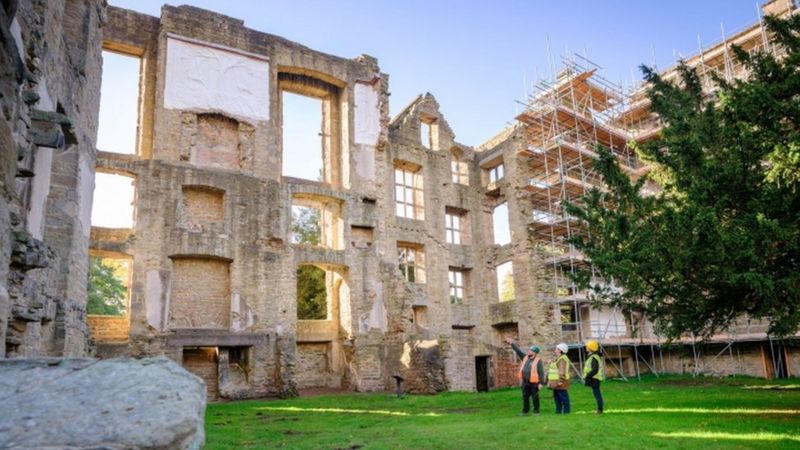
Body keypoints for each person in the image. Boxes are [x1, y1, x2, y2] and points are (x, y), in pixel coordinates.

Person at [505, 336, 545, 416]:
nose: (528, 351)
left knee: (535, 397)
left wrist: (541, 383)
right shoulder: (525, 357)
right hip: (525, 382)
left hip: (534, 383)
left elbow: (541, 372)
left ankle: (536, 411)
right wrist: (512, 343)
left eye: (530, 350)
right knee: (525, 397)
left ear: (534, 352)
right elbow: (518, 351)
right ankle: (525, 411)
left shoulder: (538, 360)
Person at [546, 342, 571, 414]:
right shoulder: (559, 358)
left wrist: (560, 381)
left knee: (563, 397)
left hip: (561, 381)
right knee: (557, 397)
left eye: (556, 349)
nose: (555, 350)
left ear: (560, 350)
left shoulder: (562, 359)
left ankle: (566, 411)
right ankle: (558, 410)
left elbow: (562, 371)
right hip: (556, 381)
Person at [583, 340, 604, 414]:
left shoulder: (594, 357)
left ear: (590, 348)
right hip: (594, 378)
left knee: (597, 394)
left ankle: (600, 410)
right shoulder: (593, 356)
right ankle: (599, 409)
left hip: (594, 379)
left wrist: (588, 376)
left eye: (587, 346)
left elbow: (595, 369)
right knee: (596, 394)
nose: (586, 347)